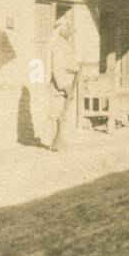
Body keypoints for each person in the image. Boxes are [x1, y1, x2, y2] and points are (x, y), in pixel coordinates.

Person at [47, 13, 79, 152]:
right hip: (63, 85)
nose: (69, 31)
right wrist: (65, 87)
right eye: (67, 28)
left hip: (69, 82)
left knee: (64, 114)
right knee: (59, 114)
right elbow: (57, 68)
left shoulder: (64, 44)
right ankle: (56, 143)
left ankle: (61, 142)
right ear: (61, 29)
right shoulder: (59, 45)